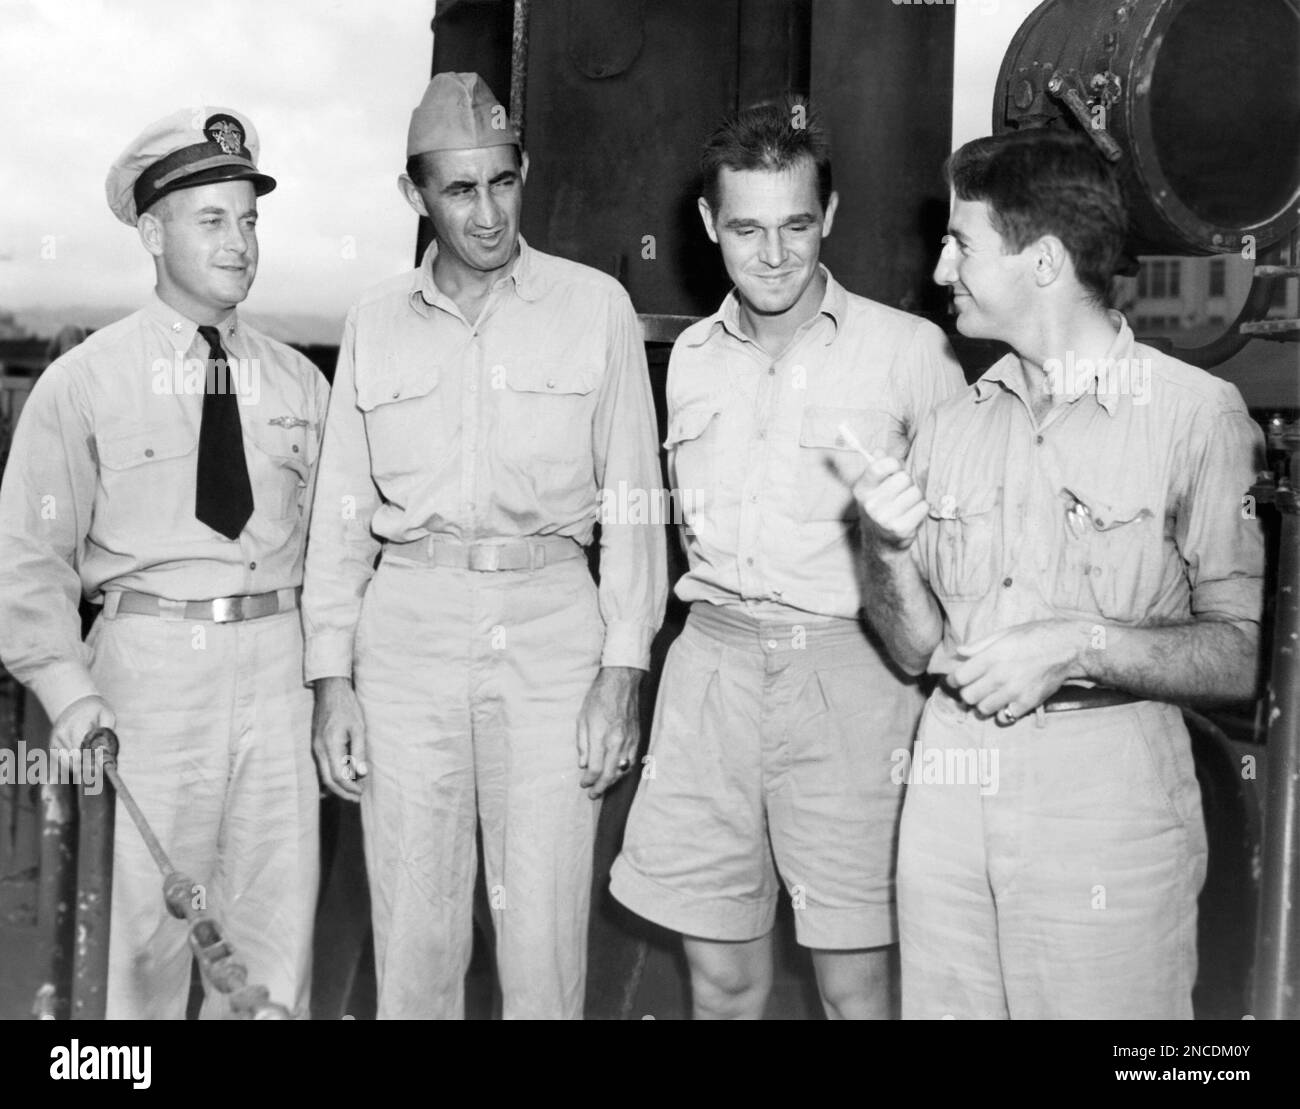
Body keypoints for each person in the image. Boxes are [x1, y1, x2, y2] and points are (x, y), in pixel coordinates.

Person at [854, 128, 1265, 1018]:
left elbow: (1241, 656)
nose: (938, 271)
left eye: (960, 243)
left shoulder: (1197, 418)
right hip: (949, 778)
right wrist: (883, 549)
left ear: (1042, 262)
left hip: (1105, 792)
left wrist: (1076, 642)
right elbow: (913, 647)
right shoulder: (952, 422)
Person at [302, 72, 667, 1020]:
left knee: (542, 936)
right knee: (415, 934)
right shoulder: (373, 323)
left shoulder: (595, 311)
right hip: (408, 629)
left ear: (523, 170)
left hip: (551, 628)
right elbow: (342, 518)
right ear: (414, 194)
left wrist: (622, 672)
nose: (487, 211)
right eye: (459, 190)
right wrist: (330, 678)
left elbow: (634, 506)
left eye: (502, 181)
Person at [610, 99, 964, 1019]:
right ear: (708, 224)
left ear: (829, 217)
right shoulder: (689, 356)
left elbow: (970, 544)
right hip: (712, 676)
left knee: (857, 988)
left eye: (796, 226)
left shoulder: (909, 353)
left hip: (854, 676)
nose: (773, 255)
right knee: (722, 981)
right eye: (747, 229)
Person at [0, 107, 327, 1018]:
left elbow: (337, 556)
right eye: (212, 219)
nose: (239, 241)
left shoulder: (302, 383)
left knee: (268, 945)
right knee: (132, 953)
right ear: (151, 232)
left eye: (250, 218)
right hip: (144, 681)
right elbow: (25, 564)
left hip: (277, 670)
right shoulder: (85, 381)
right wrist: (70, 694)